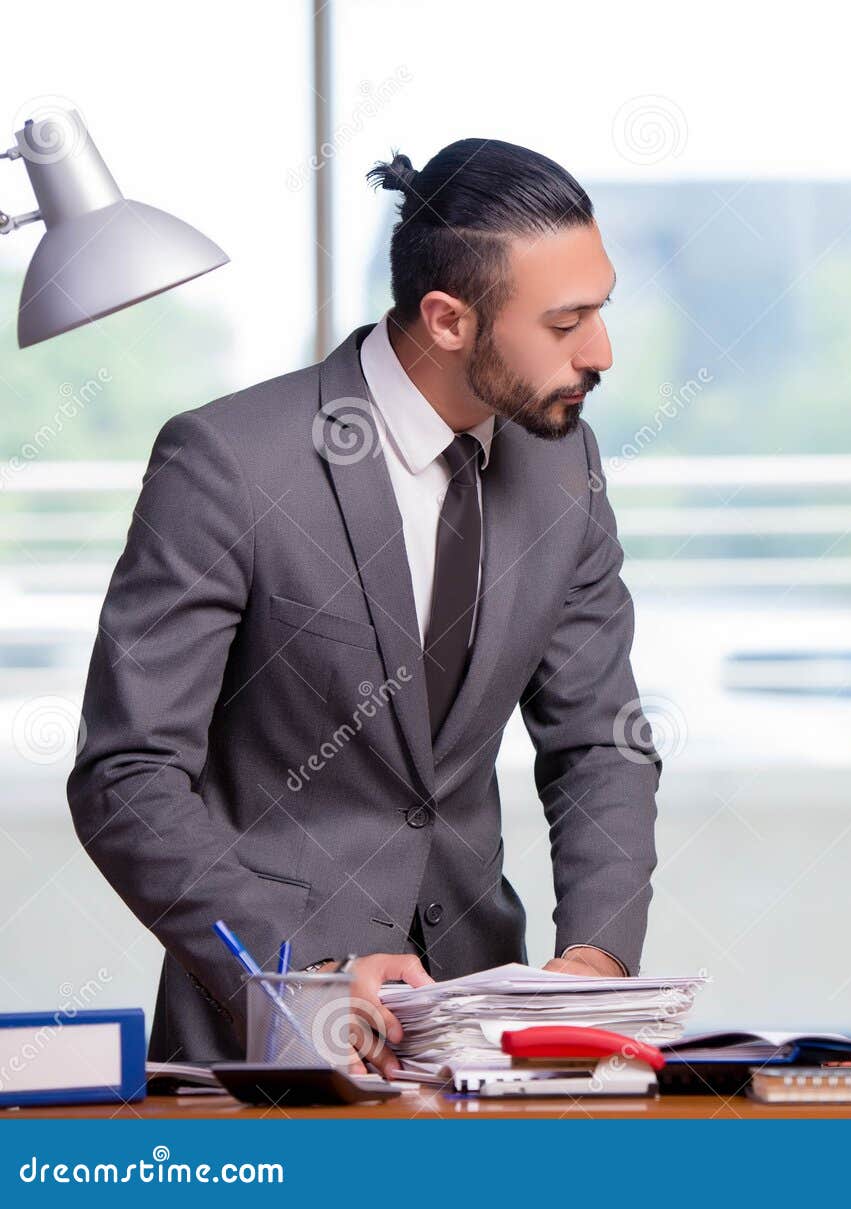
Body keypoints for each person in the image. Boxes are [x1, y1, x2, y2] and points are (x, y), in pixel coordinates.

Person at [67, 139, 659, 1074]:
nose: (601, 352)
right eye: (566, 322)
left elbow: (599, 738)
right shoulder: (229, 463)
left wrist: (596, 959)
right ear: (448, 319)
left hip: (484, 1044)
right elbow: (126, 776)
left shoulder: (565, 470)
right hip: (261, 1046)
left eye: (601, 310)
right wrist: (303, 970)